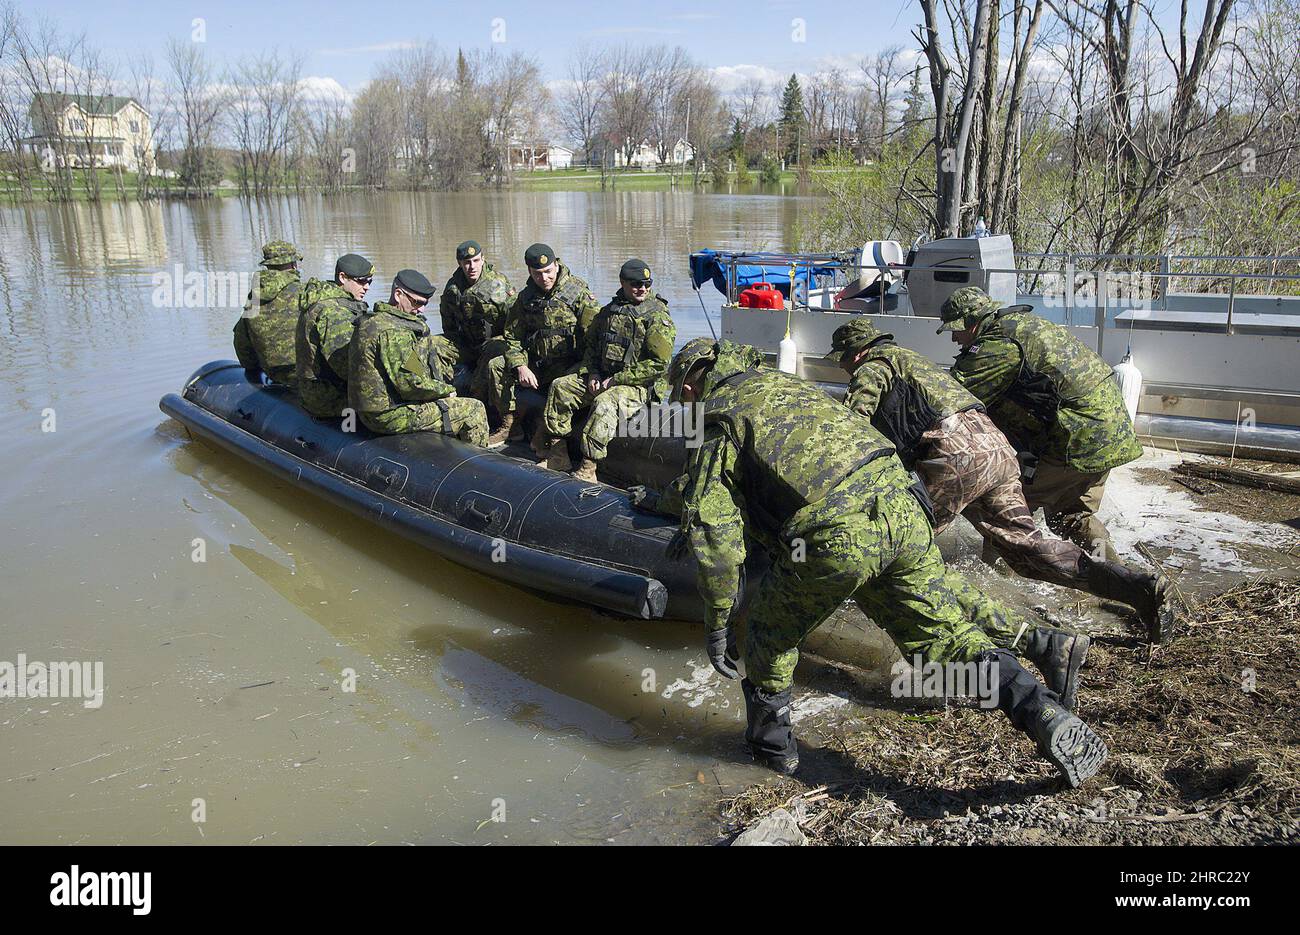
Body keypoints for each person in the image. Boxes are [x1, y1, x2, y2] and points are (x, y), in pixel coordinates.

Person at [670, 337, 1108, 786]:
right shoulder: (784, 384)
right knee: (945, 639)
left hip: (836, 532)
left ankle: (773, 757)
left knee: (767, 635)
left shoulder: (716, 416)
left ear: (691, 384)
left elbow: (714, 530)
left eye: (680, 394)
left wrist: (719, 618)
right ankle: (1042, 710)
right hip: (904, 506)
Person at [828, 317, 1176, 641]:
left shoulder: (872, 366)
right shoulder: (913, 361)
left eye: (842, 361)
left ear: (856, 352)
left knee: (898, 545)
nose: (842, 368)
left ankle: (939, 638)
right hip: (995, 450)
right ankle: (1137, 587)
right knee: (1031, 552)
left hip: (954, 457)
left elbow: (853, 427)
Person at [939, 286, 1142, 556]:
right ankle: (1120, 578)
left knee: (1000, 505)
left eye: (956, 329)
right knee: (1070, 514)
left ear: (972, 322)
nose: (954, 338)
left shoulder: (998, 344)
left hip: (1077, 438)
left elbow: (951, 396)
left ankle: (1002, 581)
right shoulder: (1024, 325)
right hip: (1111, 434)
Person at [542, 259, 676, 483]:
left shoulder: (656, 316)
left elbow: (659, 364)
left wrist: (618, 379)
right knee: (561, 387)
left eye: (646, 283)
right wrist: (593, 372)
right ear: (622, 283)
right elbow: (593, 347)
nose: (642, 288)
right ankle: (558, 454)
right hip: (604, 377)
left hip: (638, 387)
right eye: (635, 284)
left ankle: (588, 466)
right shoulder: (608, 312)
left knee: (605, 403)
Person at [347, 269, 489, 446]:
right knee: (474, 409)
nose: (421, 309)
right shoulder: (394, 331)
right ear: (398, 295)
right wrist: (447, 391)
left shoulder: (372, 320)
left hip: (368, 410)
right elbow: (409, 384)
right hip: (388, 416)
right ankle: (476, 465)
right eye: (416, 302)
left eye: (425, 303)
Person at [486, 243, 601, 461]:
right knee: (496, 366)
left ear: (556, 265)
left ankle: (555, 447)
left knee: (561, 387)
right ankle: (510, 425)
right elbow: (512, 336)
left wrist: (589, 372)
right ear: (529, 272)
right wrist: (520, 366)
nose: (545, 278)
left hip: (571, 365)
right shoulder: (526, 298)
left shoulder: (578, 293)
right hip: (540, 365)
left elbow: (594, 341)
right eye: (538, 274)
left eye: (548, 271)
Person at [430, 240, 516, 406]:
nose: (472, 267)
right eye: (467, 262)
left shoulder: (498, 284)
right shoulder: (453, 288)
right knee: (433, 343)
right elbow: (448, 325)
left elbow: (515, 322)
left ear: (483, 259)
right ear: (459, 263)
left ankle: (477, 392)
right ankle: (435, 391)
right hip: (466, 344)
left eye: (476, 261)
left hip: (492, 343)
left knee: (496, 347)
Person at [295, 253, 373, 419]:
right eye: (361, 281)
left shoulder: (326, 300)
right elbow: (346, 367)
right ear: (343, 278)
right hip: (328, 396)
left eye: (369, 282)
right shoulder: (334, 312)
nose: (367, 287)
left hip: (315, 390)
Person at [234, 240, 303, 385]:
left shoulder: (254, 298)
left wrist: (253, 371)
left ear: (267, 265)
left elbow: (242, 344)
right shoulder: (305, 293)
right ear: (293, 264)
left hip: (273, 375)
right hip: (305, 377)